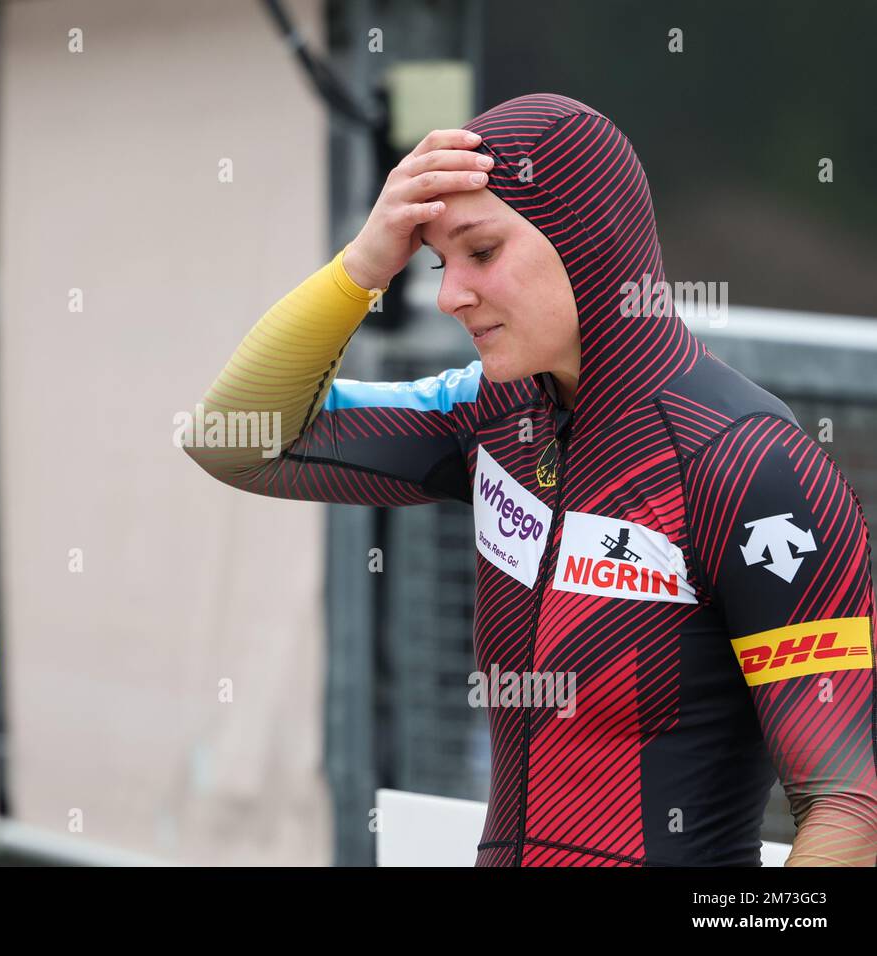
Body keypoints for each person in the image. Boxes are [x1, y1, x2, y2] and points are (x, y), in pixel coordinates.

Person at [184, 92, 877, 866]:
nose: (449, 296)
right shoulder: (490, 414)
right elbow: (231, 441)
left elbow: (853, 807)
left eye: (481, 253)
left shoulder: (749, 465)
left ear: (589, 244)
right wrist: (361, 267)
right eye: (441, 263)